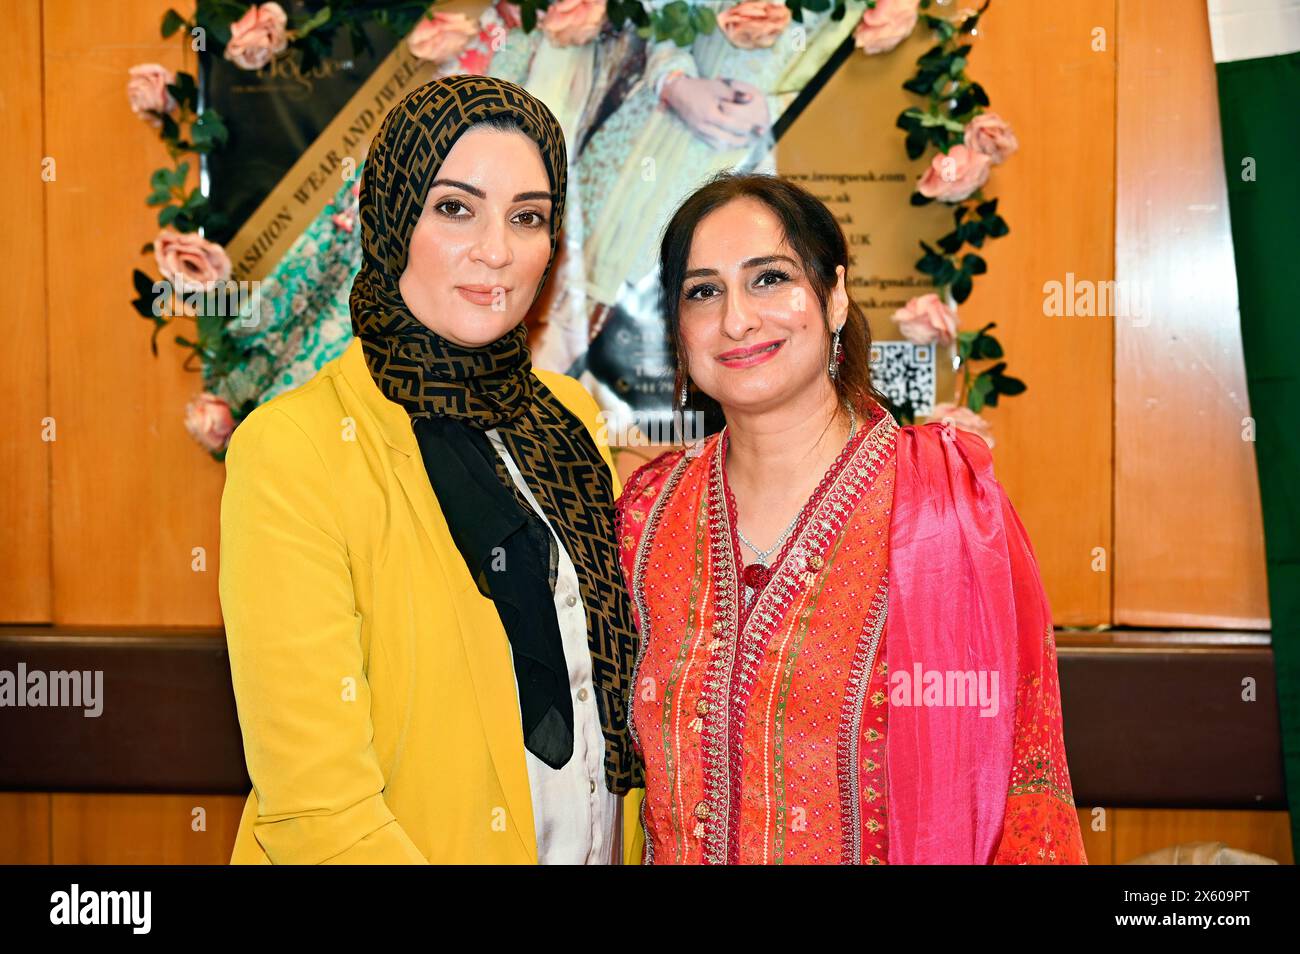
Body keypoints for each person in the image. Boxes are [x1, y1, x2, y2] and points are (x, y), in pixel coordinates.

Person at [219, 74, 643, 864]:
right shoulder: (294, 451)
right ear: (391, 218)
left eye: (528, 218)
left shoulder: (569, 420)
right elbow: (319, 812)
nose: (496, 250)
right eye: (455, 208)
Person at [615, 171, 1087, 864]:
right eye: (703, 291)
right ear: (677, 327)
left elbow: (1025, 782)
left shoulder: (949, 513)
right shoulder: (646, 517)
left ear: (834, 297)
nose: (737, 318)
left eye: (770, 279)